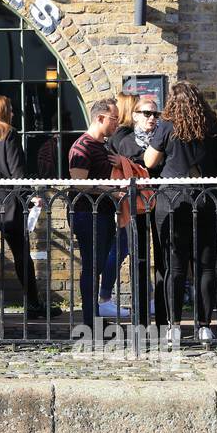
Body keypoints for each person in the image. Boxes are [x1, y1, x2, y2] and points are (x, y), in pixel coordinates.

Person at [145, 82, 217, 341]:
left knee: (174, 266)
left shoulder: (167, 125)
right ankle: (204, 326)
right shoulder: (211, 124)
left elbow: (149, 160)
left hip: (172, 199)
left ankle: (174, 326)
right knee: (205, 266)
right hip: (206, 198)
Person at [0, 94, 48, 320]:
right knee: (21, 253)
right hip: (8, 201)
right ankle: (33, 305)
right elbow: (18, 172)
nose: (13, 113)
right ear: (2, 111)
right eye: (9, 109)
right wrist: (30, 197)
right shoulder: (8, 133)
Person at [69, 98, 122, 329]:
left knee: (97, 266)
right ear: (100, 118)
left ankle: (95, 318)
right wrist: (112, 191)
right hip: (87, 214)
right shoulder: (82, 146)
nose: (117, 123)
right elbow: (79, 183)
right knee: (91, 267)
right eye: (114, 119)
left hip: (103, 213)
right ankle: (90, 322)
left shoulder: (103, 145)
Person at [97, 92, 143, 319]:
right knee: (123, 248)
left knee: (125, 248)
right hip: (124, 200)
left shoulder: (118, 135)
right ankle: (105, 297)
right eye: (139, 110)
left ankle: (107, 297)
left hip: (121, 200)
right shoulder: (124, 136)